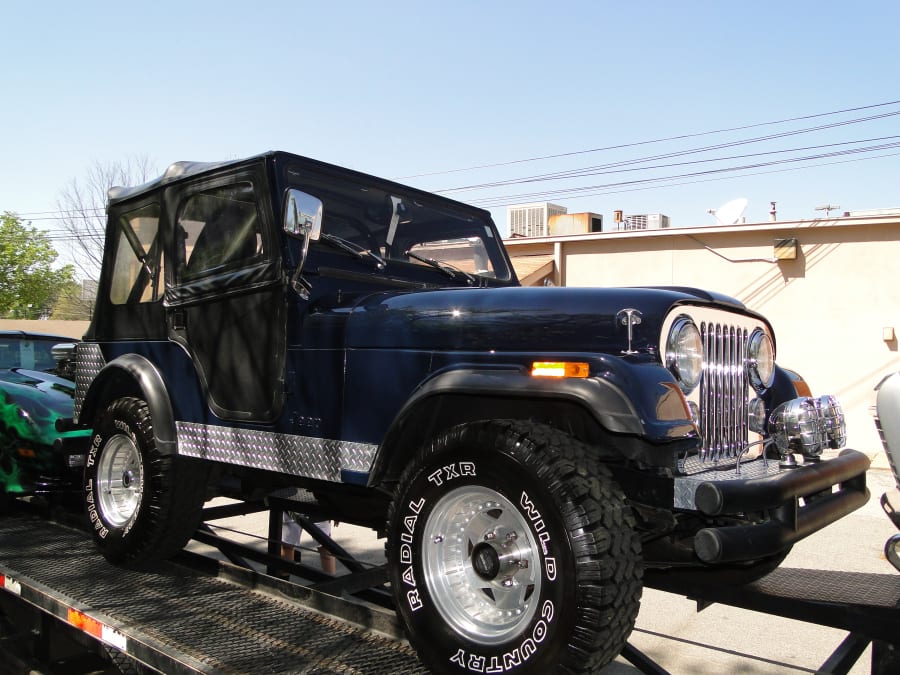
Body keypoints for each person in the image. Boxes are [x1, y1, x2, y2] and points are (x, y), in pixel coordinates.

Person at [280, 511, 337, 576]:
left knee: (326, 548)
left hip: (318, 510)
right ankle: (283, 580)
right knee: (287, 547)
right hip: (293, 509)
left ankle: (331, 580)